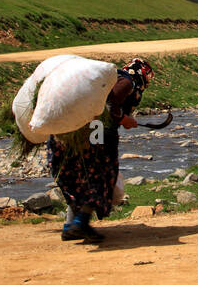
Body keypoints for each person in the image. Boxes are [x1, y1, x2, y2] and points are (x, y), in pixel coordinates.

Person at [49, 57, 154, 242]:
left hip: (73, 131)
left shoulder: (112, 78)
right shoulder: (127, 82)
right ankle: (80, 223)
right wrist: (124, 120)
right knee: (99, 174)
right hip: (95, 133)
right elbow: (108, 107)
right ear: (141, 74)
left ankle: (70, 225)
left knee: (79, 175)